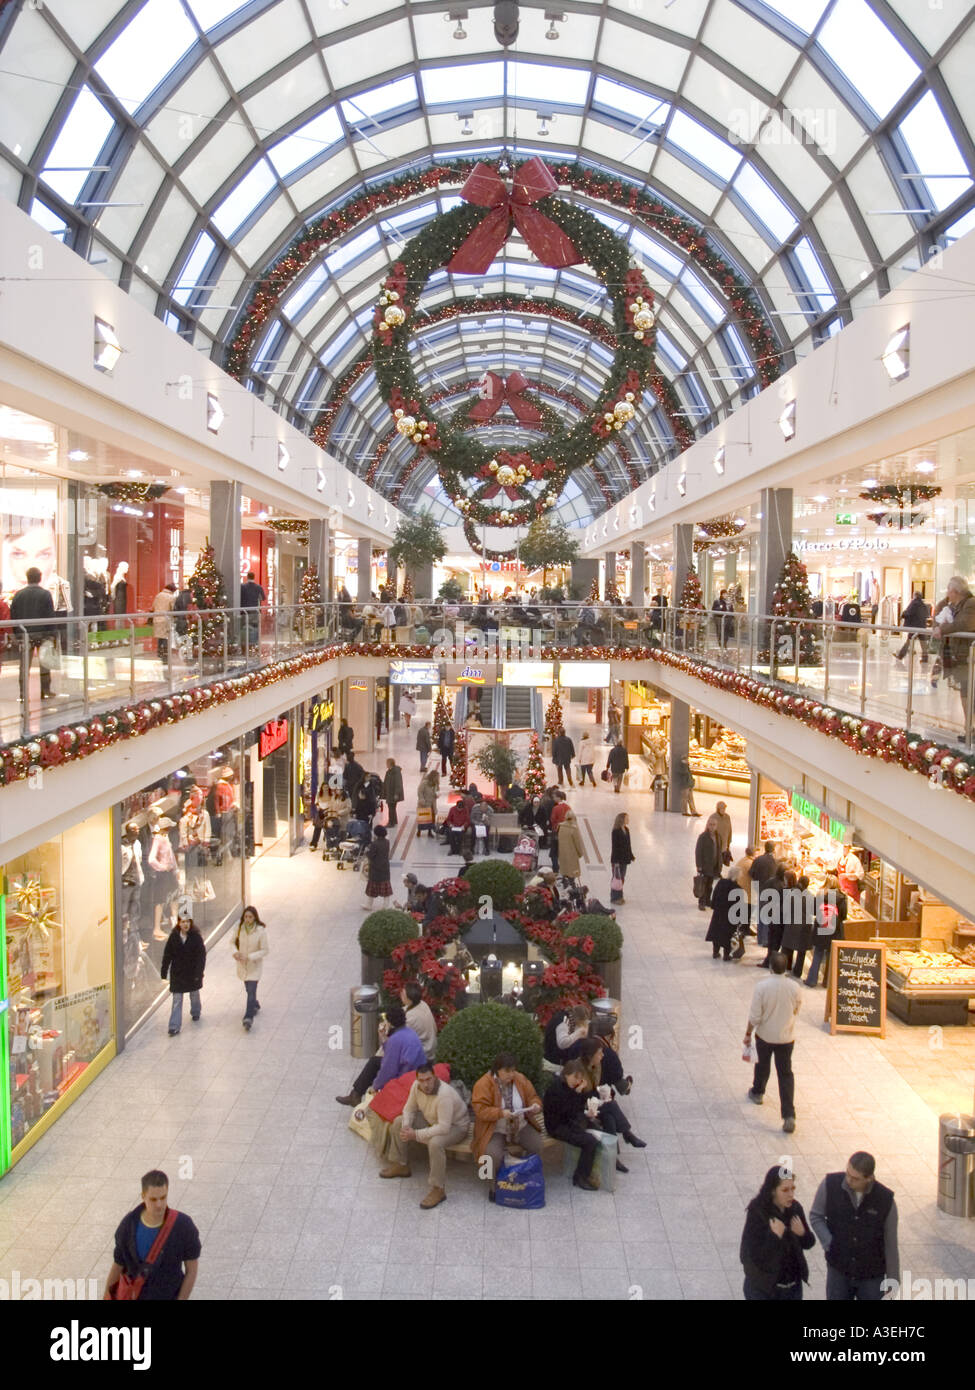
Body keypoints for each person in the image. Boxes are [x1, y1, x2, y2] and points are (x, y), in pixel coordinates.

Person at [378, 1060, 471, 1209]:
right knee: (398, 1122)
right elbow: (409, 1109)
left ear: (434, 1077)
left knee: (436, 1143)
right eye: (421, 1080)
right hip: (432, 1120)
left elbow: (443, 1128)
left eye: (428, 1079)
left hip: (456, 1127)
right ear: (417, 1080)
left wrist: (415, 1134)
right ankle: (401, 1165)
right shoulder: (416, 1087)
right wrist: (407, 1126)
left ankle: (438, 1189)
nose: (425, 1084)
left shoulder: (444, 1095)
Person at [810, 1152, 899, 1301]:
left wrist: (893, 1279)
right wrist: (829, 1242)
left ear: (869, 1178)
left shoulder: (885, 1200)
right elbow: (816, 1216)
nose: (848, 1180)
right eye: (848, 1174)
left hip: (871, 1275)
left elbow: (890, 1244)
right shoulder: (830, 1184)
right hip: (839, 1270)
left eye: (855, 1178)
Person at [104, 1169, 200, 1301]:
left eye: (163, 1198)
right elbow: (118, 1263)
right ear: (143, 1196)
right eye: (153, 1199)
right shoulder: (129, 1225)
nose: (159, 1205)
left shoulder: (183, 1226)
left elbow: (192, 1269)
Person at [472, 1053, 545, 1199]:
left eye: (513, 1070)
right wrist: (500, 1113)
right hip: (495, 1128)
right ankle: (493, 1186)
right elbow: (480, 1109)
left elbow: (532, 1096)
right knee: (491, 1155)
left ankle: (524, 1176)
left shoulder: (520, 1079)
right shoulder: (483, 1084)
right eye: (507, 1071)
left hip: (520, 1126)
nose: (511, 1074)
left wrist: (535, 1105)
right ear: (497, 1070)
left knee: (537, 1145)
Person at [740, 1164, 816, 1301]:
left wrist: (802, 1233)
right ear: (773, 1191)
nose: (791, 1195)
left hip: (792, 1287)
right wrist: (774, 1237)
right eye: (785, 1190)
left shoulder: (795, 1208)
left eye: (793, 1188)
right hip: (764, 1289)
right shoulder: (757, 1213)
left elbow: (809, 1242)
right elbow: (754, 1256)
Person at [745, 951, 801, 1133]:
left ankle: (758, 1092)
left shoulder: (762, 987)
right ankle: (788, 1114)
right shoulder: (794, 987)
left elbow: (754, 1015)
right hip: (786, 1037)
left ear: (770, 967)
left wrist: (748, 1034)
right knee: (785, 1073)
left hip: (765, 1035)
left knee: (762, 1065)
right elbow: (797, 1008)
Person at [336, 1004, 426, 1106]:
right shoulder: (409, 1032)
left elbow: (388, 1069)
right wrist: (384, 1039)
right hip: (414, 1071)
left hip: (406, 1077)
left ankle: (356, 1095)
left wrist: (375, 1086)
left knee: (374, 1065)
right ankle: (355, 1094)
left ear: (390, 1023)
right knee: (374, 1061)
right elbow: (393, 1053)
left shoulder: (395, 1040)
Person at [542, 1060, 602, 1191]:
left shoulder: (569, 1087)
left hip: (567, 1121)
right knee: (590, 1142)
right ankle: (580, 1177)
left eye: (580, 1078)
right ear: (566, 1074)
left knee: (595, 1129)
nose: (577, 1081)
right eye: (575, 1077)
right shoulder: (556, 1088)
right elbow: (566, 1110)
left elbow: (576, 1110)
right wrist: (577, 1094)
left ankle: (610, 1162)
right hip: (556, 1126)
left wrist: (581, 1095)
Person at [10, 565, 56, 701]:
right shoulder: (45, 594)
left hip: (25, 635)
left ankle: (23, 693)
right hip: (43, 634)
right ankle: (45, 690)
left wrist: (17, 634)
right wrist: (51, 634)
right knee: (45, 664)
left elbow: (14, 615)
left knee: (24, 666)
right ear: (40, 577)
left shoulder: (19, 595)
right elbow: (50, 616)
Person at [160, 912, 206, 1035]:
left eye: (187, 921)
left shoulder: (196, 937)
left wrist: (199, 973)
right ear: (179, 923)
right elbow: (167, 955)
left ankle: (196, 1012)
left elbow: (201, 957)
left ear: (191, 923)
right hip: (178, 974)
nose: (185, 924)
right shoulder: (173, 937)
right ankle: (174, 1026)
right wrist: (163, 973)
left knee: (194, 994)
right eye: (183, 922)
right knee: (177, 1000)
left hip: (192, 973)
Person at [804, 874, 848, 988]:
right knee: (831, 956)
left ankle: (811, 980)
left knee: (818, 954)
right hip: (835, 930)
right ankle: (827, 982)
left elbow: (814, 911)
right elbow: (844, 915)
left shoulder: (820, 895)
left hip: (821, 928)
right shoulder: (842, 897)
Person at [232, 905, 268, 1031]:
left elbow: (265, 950)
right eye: (246, 917)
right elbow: (232, 942)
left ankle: (248, 1017)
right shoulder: (239, 929)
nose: (248, 919)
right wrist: (235, 952)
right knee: (248, 989)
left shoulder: (260, 931)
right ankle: (255, 1004)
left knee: (251, 989)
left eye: (250, 917)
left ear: (255, 918)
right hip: (243, 965)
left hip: (254, 966)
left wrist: (250, 957)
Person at [706, 867, 744, 960]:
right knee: (727, 936)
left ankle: (715, 952)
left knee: (716, 933)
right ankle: (726, 955)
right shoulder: (738, 889)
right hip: (730, 917)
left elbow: (714, 895)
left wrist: (714, 906)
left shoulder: (721, 883)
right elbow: (739, 907)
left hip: (718, 913)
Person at [401, 981, 437, 1059]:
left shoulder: (411, 1017)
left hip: (423, 1054)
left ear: (409, 998)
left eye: (403, 994)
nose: (401, 995)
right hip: (430, 1048)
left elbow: (400, 1038)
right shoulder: (422, 1004)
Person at [893, 590, 930, 664]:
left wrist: (903, 614)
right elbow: (927, 614)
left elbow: (908, 612)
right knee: (923, 644)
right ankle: (925, 659)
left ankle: (900, 655)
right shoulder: (923, 604)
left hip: (914, 627)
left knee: (908, 642)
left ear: (915, 596)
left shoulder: (914, 603)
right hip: (922, 626)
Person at [694, 815, 721, 911]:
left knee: (710, 885)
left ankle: (708, 900)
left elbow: (719, 851)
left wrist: (719, 864)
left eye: (714, 825)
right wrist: (699, 865)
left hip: (714, 866)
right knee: (703, 884)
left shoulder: (718, 836)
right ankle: (701, 902)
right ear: (707, 825)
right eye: (710, 824)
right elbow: (698, 851)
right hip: (705, 865)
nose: (712, 827)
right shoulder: (703, 837)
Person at [362, 825, 392, 906]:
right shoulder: (387, 842)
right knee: (386, 889)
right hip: (385, 868)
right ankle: (385, 905)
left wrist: (366, 852)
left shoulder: (375, 844)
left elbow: (371, 855)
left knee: (372, 888)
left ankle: (369, 905)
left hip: (375, 869)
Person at [609, 811, 634, 905]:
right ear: (622, 819)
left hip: (624, 859)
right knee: (616, 878)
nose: (628, 820)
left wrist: (631, 855)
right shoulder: (615, 831)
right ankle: (614, 897)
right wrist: (615, 861)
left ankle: (620, 896)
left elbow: (628, 844)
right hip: (617, 859)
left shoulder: (626, 830)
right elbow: (614, 847)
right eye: (627, 818)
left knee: (622, 878)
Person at [557, 807, 584, 887]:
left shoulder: (560, 826)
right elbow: (577, 843)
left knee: (564, 869)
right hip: (572, 854)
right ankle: (572, 886)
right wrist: (580, 853)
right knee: (572, 872)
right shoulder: (573, 828)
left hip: (562, 852)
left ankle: (565, 884)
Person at [151, 583, 176, 665]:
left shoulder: (158, 595)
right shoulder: (171, 597)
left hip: (157, 618)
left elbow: (153, 606)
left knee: (160, 636)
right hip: (166, 619)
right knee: (166, 636)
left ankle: (159, 651)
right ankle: (165, 652)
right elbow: (172, 608)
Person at [239, 570, 265, 649]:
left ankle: (244, 644)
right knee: (254, 627)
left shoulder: (242, 587)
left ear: (247, 577)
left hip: (244, 611)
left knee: (244, 628)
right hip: (255, 611)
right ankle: (254, 645)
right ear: (254, 577)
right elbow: (263, 598)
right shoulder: (258, 587)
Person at [381, 757, 404, 827]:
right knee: (392, 807)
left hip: (393, 793)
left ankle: (391, 822)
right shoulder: (389, 771)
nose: (386, 765)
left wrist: (396, 793)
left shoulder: (395, 772)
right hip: (390, 793)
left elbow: (398, 783)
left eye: (387, 763)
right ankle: (394, 820)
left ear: (390, 764)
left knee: (391, 808)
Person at [416, 769, 438, 839]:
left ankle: (430, 832)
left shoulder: (435, 784)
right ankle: (419, 831)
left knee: (431, 819)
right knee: (423, 818)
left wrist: (436, 795)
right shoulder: (424, 783)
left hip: (432, 804)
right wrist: (422, 800)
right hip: (424, 804)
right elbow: (420, 792)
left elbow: (435, 791)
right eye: (436, 777)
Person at [309, 782, 331, 850]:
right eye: (324, 787)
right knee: (317, 828)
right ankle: (314, 844)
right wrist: (318, 807)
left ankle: (329, 844)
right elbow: (316, 802)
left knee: (328, 829)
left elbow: (333, 803)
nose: (325, 788)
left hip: (328, 812)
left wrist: (328, 810)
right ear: (322, 787)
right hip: (320, 812)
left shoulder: (331, 794)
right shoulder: (319, 794)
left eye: (327, 787)